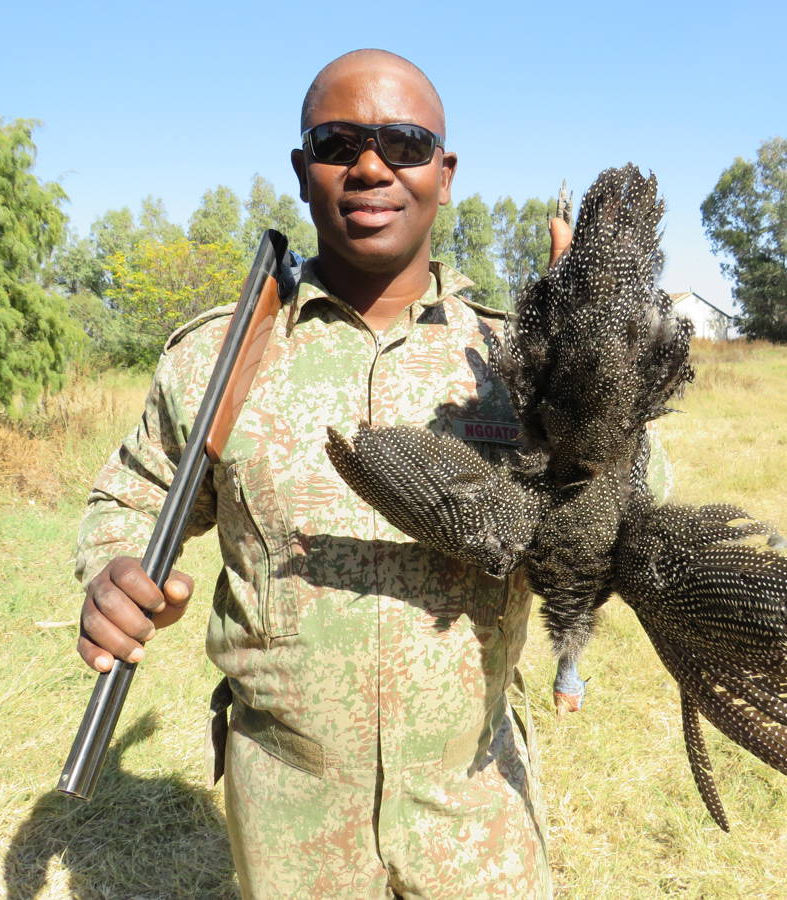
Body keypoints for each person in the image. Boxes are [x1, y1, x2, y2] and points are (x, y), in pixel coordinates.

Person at [74, 49, 565, 899]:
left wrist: (592, 376)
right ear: (304, 172)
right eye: (339, 143)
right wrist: (113, 569)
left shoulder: (516, 358)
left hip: (473, 799)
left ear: (445, 174)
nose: (371, 167)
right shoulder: (222, 359)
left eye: (405, 144)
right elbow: (134, 494)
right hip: (290, 819)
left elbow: (622, 506)